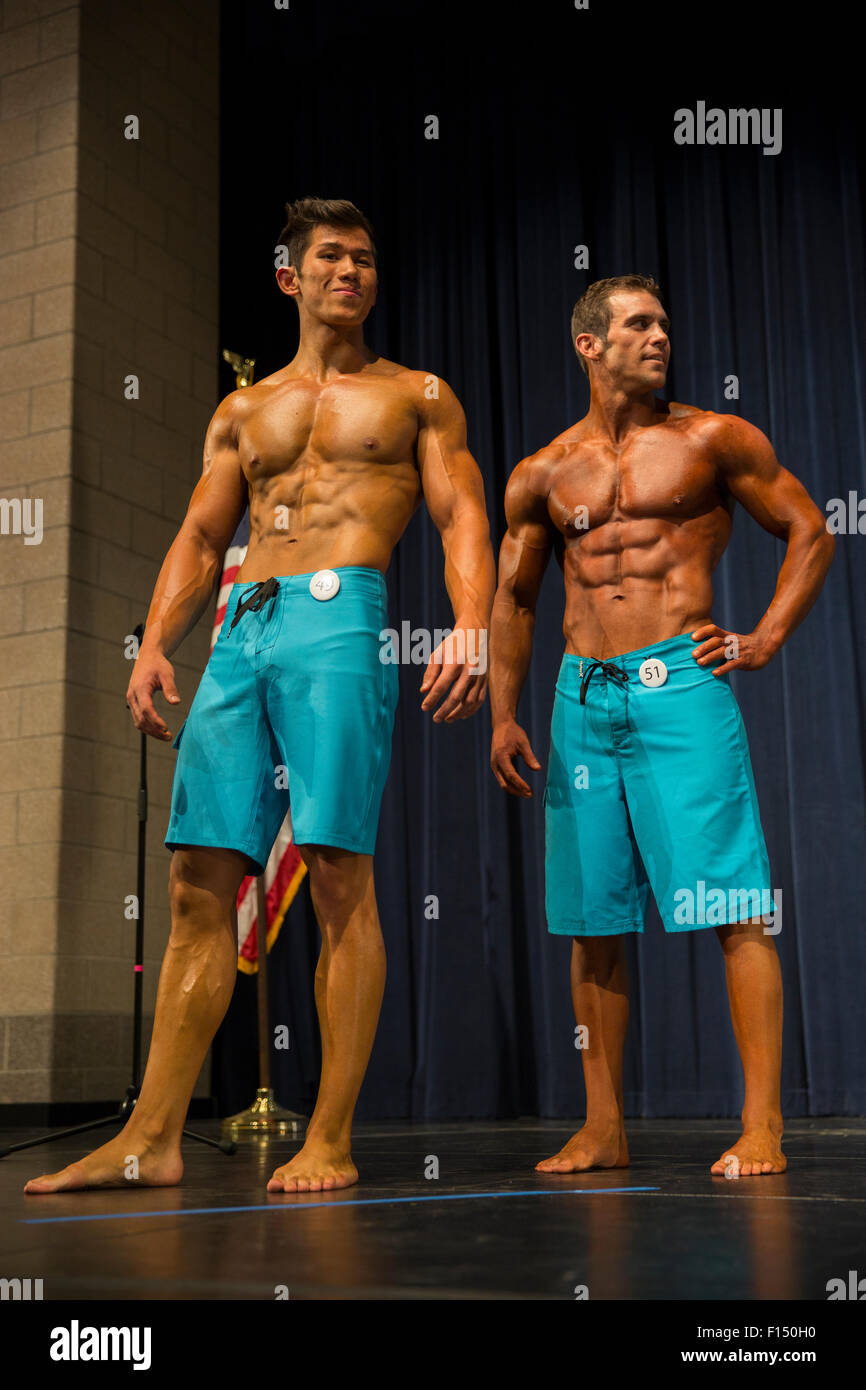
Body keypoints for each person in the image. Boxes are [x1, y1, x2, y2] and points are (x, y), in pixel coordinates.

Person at [25, 197, 495, 1196]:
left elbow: (460, 514)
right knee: (197, 881)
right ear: (289, 275)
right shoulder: (242, 412)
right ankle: (149, 1137)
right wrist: (156, 644)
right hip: (244, 628)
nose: (350, 273)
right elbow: (201, 538)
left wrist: (470, 624)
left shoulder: (415, 394)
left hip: (337, 617)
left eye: (364, 259)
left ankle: (327, 1136)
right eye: (330, 258)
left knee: (335, 875)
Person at [489, 274, 834, 1177]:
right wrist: (501, 715)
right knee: (592, 920)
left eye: (664, 324)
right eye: (638, 324)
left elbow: (810, 529)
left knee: (735, 907)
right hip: (580, 699)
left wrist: (761, 637)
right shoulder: (543, 470)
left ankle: (764, 1125)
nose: (659, 338)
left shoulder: (711, 438)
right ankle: (603, 1126)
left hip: (679, 684)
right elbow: (514, 599)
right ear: (588, 344)